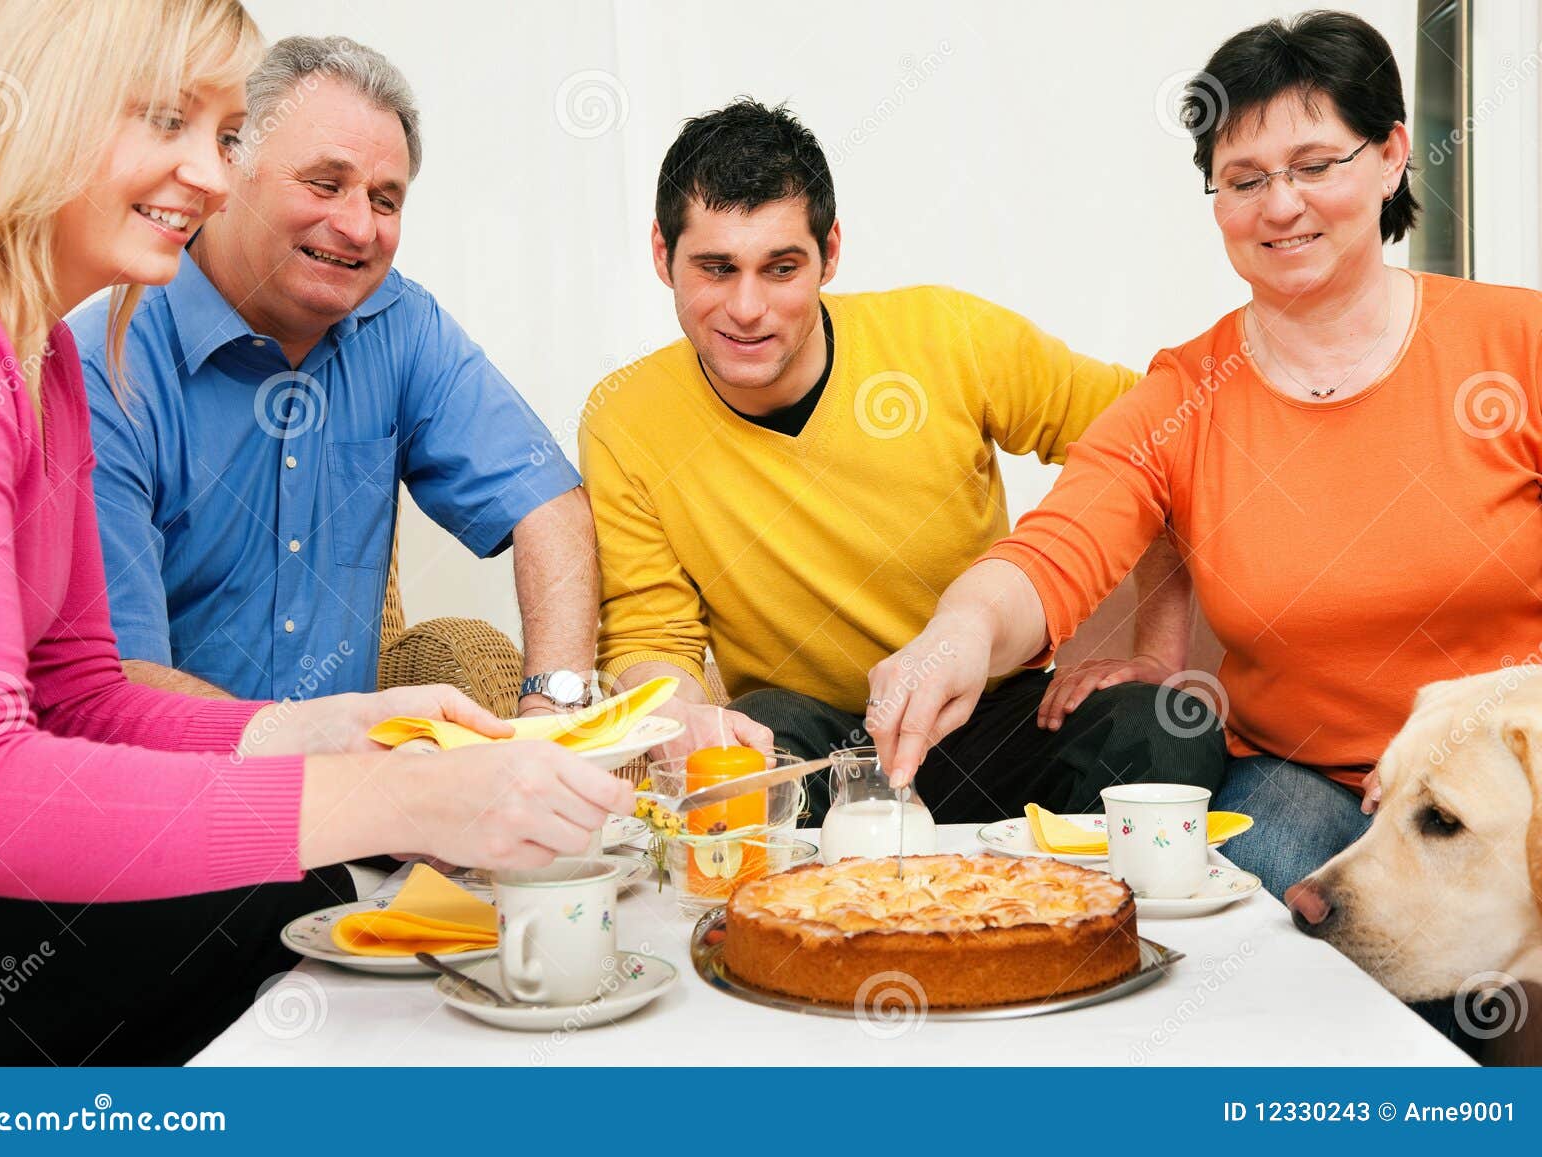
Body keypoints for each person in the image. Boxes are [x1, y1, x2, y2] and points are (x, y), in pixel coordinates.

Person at [0, 0, 632, 1066]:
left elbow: (83, 693)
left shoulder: (50, 366)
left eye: (221, 138)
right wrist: (389, 794)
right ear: (44, 110)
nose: (212, 177)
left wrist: (347, 728)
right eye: (172, 123)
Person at [870, 11, 1542, 908]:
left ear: (1389, 156)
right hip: (1303, 777)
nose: (1280, 204)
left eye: (1313, 165)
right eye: (1243, 179)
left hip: (1511, 769)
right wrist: (957, 636)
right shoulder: (1185, 394)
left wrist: (1460, 761)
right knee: (1251, 892)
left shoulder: (1517, 344)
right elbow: (1051, 552)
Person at [580, 99, 1224, 824]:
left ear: (831, 252)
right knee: (753, 769)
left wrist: (1156, 649)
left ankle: (1068, 923)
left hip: (990, 715)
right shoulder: (625, 416)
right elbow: (649, 636)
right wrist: (681, 721)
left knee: (1168, 728)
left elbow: (1162, 443)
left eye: (781, 267)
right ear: (663, 257)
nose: (748, 306)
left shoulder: (947, 336)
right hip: (807, 737)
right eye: (716, 268)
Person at [69, 35, 597, 718]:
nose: (357, 226)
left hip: (350, 792)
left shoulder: (399, 324)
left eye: (385, 199)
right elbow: (118, 683)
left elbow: (550, 505)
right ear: (231, 168)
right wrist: (319, 753)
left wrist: (552, 708)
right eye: (325, 184)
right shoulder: (102, 364)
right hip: (173, 793)